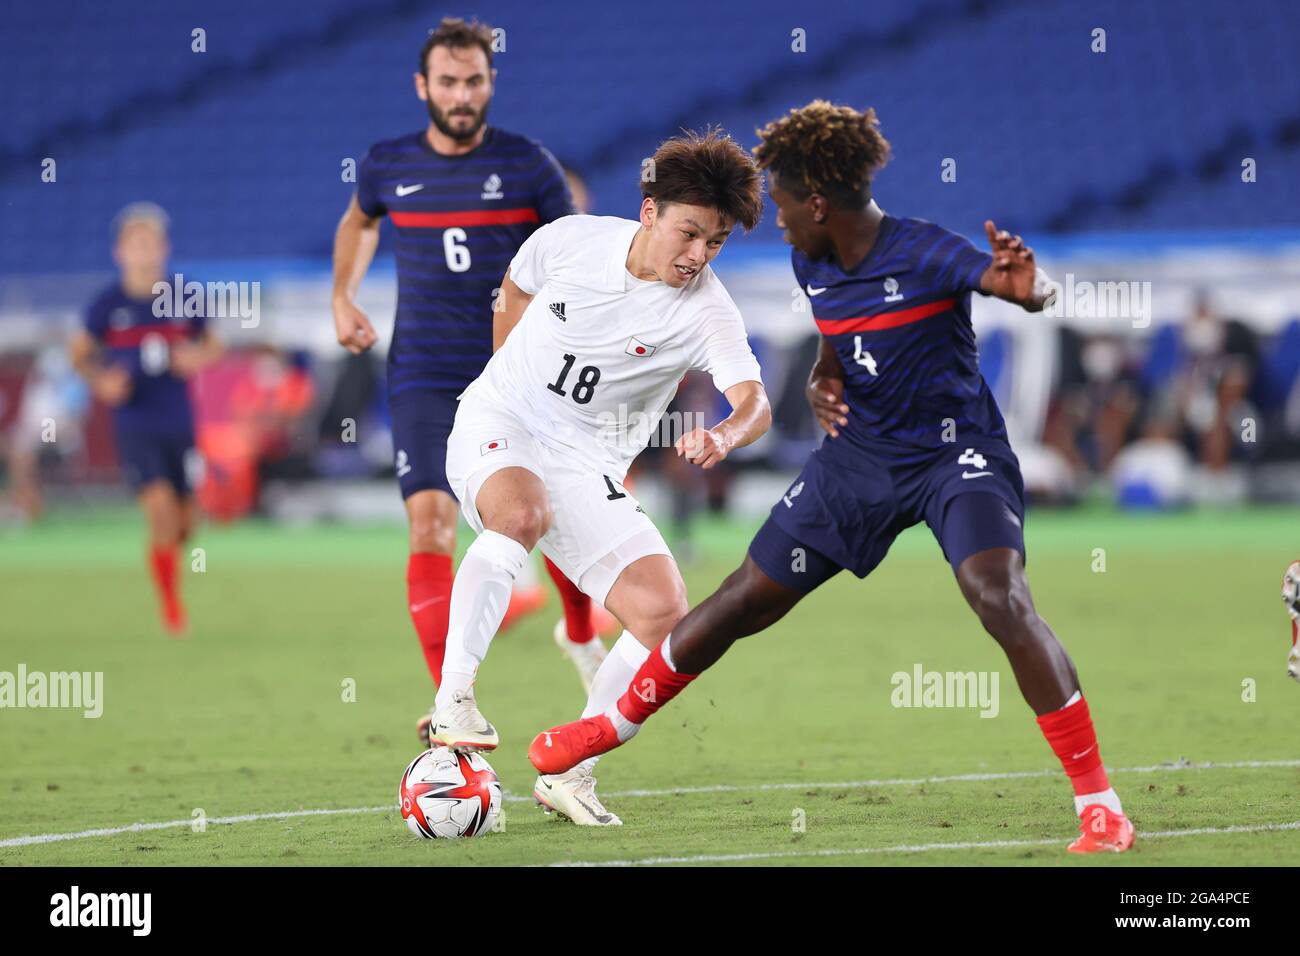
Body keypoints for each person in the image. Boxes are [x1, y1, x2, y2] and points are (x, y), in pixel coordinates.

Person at [528, 101, 1135, 853]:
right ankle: (609, 728)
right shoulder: (810, 258)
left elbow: (1017, 288)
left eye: (781, 203)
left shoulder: (923, 251)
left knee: (998, 595)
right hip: (859, 459)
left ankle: (1100, 804)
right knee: (744, 600)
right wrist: (823, 373)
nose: (774, 220)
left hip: (956, 456)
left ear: (817, 202)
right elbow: (837, 326)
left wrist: (1030, 288)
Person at [431, 129, 771, 825]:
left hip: (587, 466)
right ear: (649, 212)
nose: (698, 255)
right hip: (501, 425)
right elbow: (515, 288)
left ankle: (573, 774)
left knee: (666, 618)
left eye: (716, 242)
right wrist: (505, 380)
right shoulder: (572, 239)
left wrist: (727, 433)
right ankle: (453, 701)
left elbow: (754, 401)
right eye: (690, 233)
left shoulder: (707, 308)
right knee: (520, 514)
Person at [330, 18, 613, 735]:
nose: (462, 95)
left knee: (546, 521)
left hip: (515, 376)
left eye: (474, 81)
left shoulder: (529, 168)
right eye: (448, 82)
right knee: (430, 529)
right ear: (423, 86)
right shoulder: (387, 164)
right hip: (423, 372)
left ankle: (578, 630)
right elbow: (360, 222)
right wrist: (343, 293)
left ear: (491, 84)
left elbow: (577, 253)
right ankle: (450, 706)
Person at [69, 203, 222, 635]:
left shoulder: (184, 295)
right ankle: (172, 608)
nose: (144, 251)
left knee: (186, 523)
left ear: (164, 248)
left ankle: (168, 560)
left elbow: (212, 345)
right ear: (119, 251)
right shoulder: (107, 305)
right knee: (159, 511)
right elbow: (78, 353)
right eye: (135, 244)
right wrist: (101, 381)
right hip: (136, 424)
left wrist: (196, 356)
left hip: (180, 423)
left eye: (151, 243)